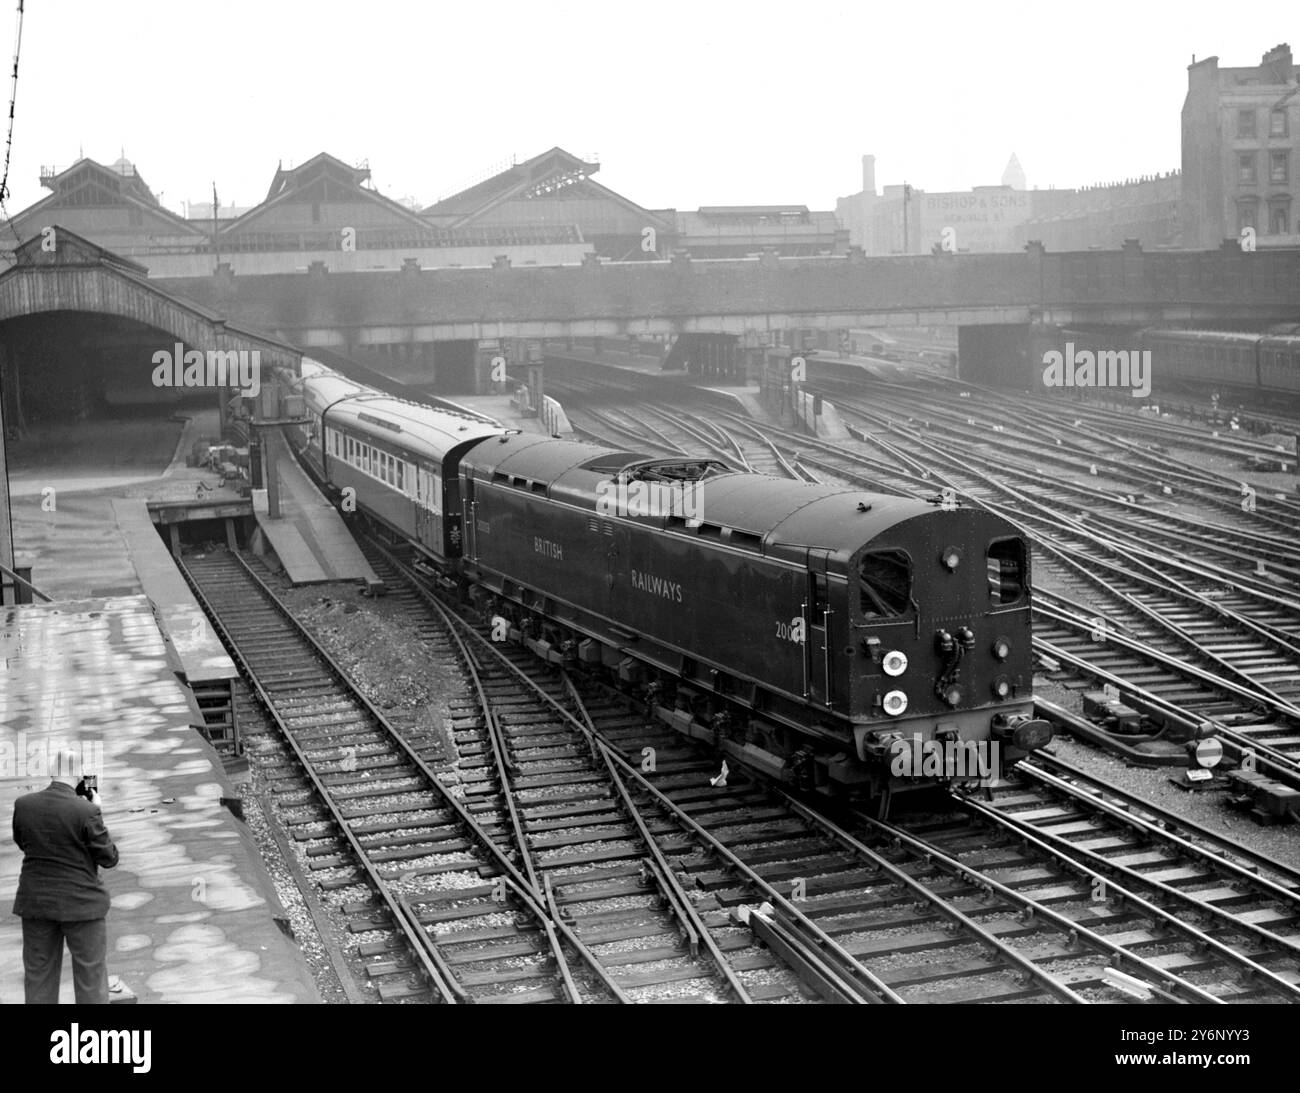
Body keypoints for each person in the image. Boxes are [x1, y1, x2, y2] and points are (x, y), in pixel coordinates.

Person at [11, 746, 119, 1004]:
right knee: (90, 979)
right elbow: (109, 858)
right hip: (83, 907)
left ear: (52, 772)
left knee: (38, 977)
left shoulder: (24, 805)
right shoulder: (86, 812)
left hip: (36, 905)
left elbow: (22, 841)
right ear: (81, 776)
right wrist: (97, 811)